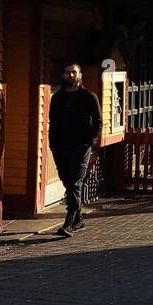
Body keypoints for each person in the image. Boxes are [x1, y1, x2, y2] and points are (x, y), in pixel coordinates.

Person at [48, 62, 102, 237]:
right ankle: (79, 219)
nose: (70, 75)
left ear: (80, 75)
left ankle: (69, 222)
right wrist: (53, 143)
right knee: (66, 180)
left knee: (75, 182)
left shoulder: (88, 96)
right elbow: (53, 122)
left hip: (81, 146)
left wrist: (90, 141)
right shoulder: (57, 98)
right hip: (61, 146)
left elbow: (98, 121)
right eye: (67, 72)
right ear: (63, 75)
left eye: (74, 72)